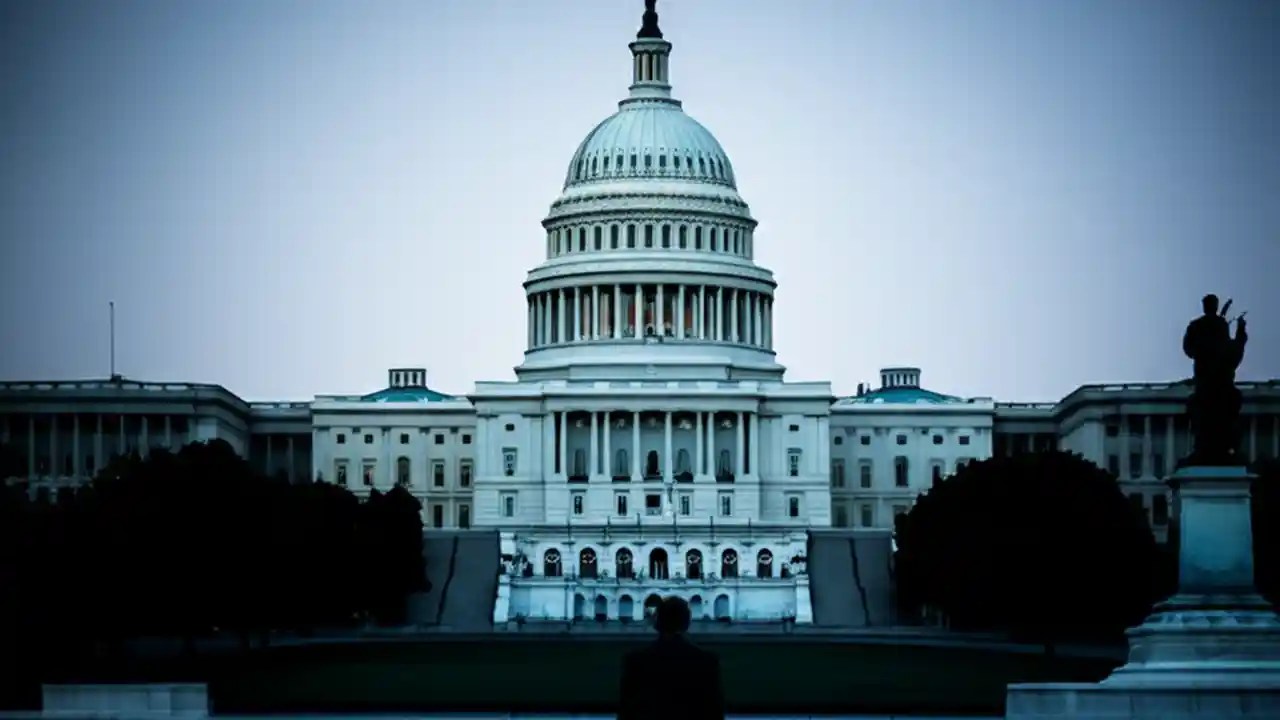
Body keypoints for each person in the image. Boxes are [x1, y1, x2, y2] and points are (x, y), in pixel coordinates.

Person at [618, 596, 725, 720]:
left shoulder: (635, 662)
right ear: (687, 623)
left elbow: (626, 712)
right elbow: (715, 712)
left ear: (656, 623)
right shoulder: (707, 661)